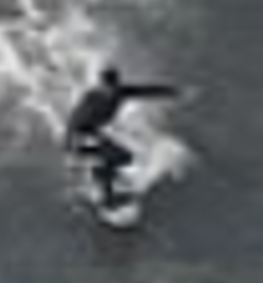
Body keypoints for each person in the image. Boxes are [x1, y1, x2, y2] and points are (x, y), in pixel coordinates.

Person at [63, 58, 178, 207]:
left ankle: (102, 174)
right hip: (80, 136)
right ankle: (106, 196)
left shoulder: (120, 92)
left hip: (93, 134)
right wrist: (71, 147)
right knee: (114, 156)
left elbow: (145, 91)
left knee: (126, 158)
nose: (111, 91)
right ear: (102, 85)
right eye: (108, 87)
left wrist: (172, 92)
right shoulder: (91, 99)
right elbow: (74, 122)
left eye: (113, 86)